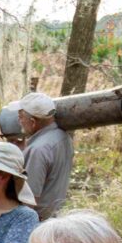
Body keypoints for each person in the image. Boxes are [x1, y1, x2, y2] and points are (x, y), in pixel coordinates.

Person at [15, 91, 73, 220]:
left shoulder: (38, 150)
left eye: (21, 117)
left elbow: (29, 198)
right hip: (56, 217)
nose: (19, 121)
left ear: (33, 122)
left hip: (38, 222)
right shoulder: (63, 137)